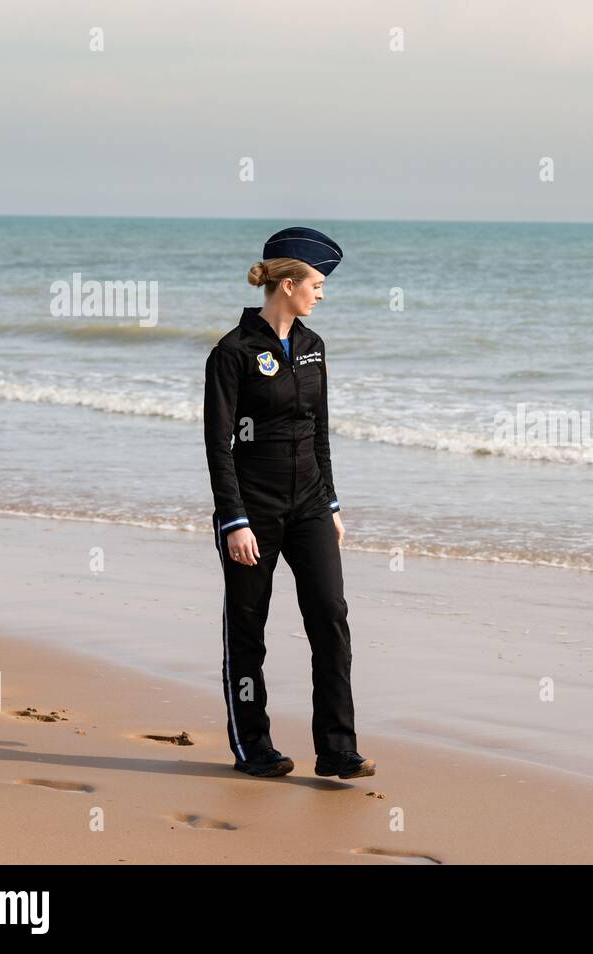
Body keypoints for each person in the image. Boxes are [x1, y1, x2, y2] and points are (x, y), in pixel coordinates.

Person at [203, 226, 374, 781]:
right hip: (252, 511)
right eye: (317, 284)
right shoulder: (232, 353)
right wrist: (234, 520)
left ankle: (337, 749)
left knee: (330, 617)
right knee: (248, 629)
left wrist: (331, 503)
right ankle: (253, 746)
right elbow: (218, 444)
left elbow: (320, 432)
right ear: (287, 282)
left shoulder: (313, 348)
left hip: (309, 506)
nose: (321, 294)